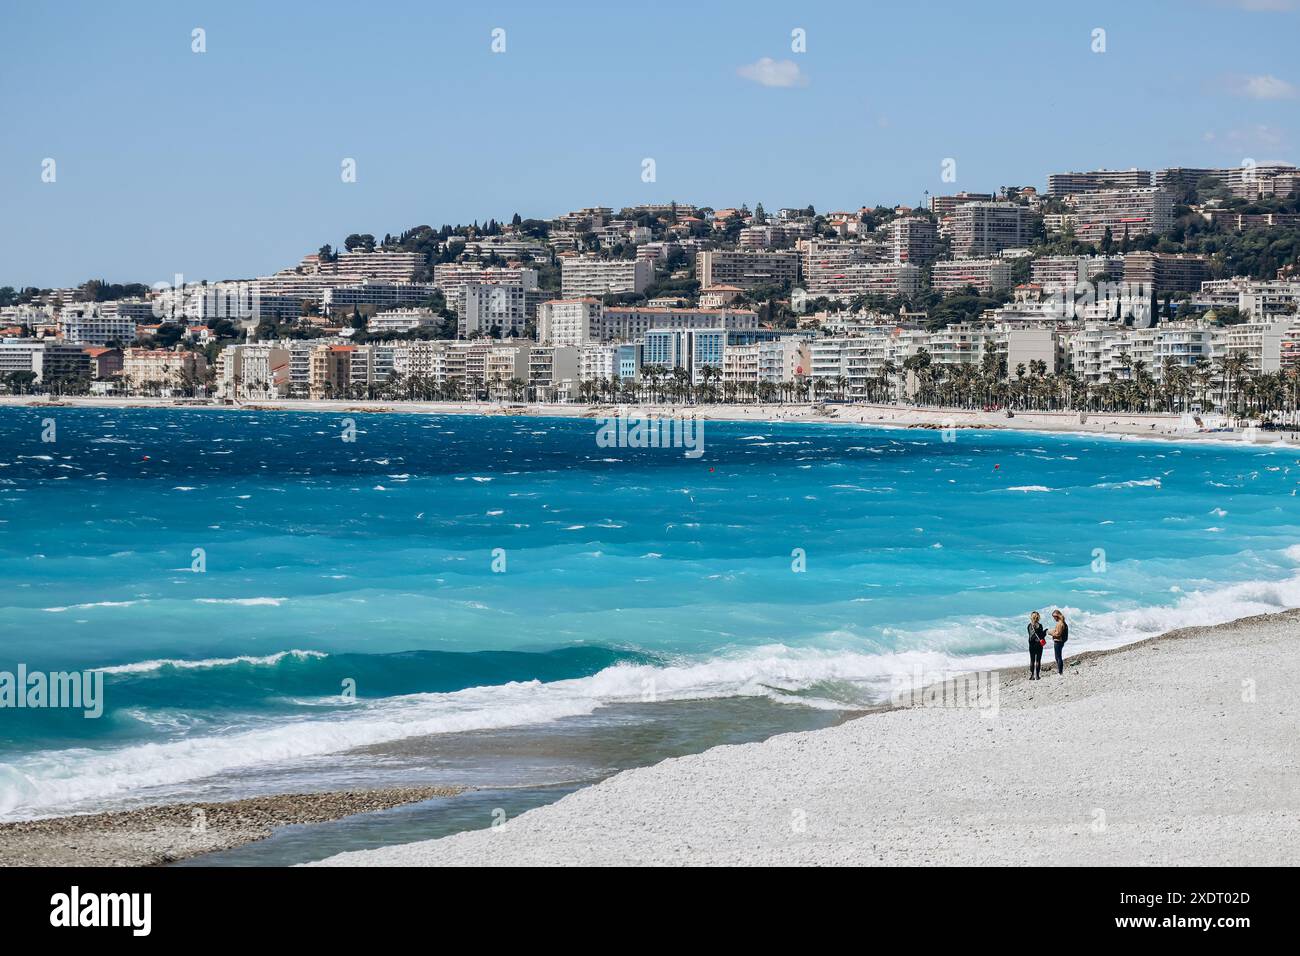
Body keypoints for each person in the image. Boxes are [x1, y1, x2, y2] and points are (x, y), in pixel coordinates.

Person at [1049, 609, 1069, 675]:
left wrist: (1050, 633)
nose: (1054, 619)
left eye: (1054, 617)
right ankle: (1060, 671)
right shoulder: (1063, 623)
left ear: (1056, 616)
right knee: (1058, 656)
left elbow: (1058, 634)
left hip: (1058, 642)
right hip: (1061, 641)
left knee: (1058, 657)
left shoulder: (1060, 624)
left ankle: (1060, 672)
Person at [1027, 611, 1046, 680]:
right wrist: (1045, 632)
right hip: (1039, 645)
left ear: (1031, 617)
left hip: (1031, 645)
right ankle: (1037, 676)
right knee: (1038, 660)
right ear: (1038, 618)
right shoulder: (1040, 626)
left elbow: (1030, 635)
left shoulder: (1029, 626)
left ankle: (1032, 676)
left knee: (1032, 660)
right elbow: (1042, 635)